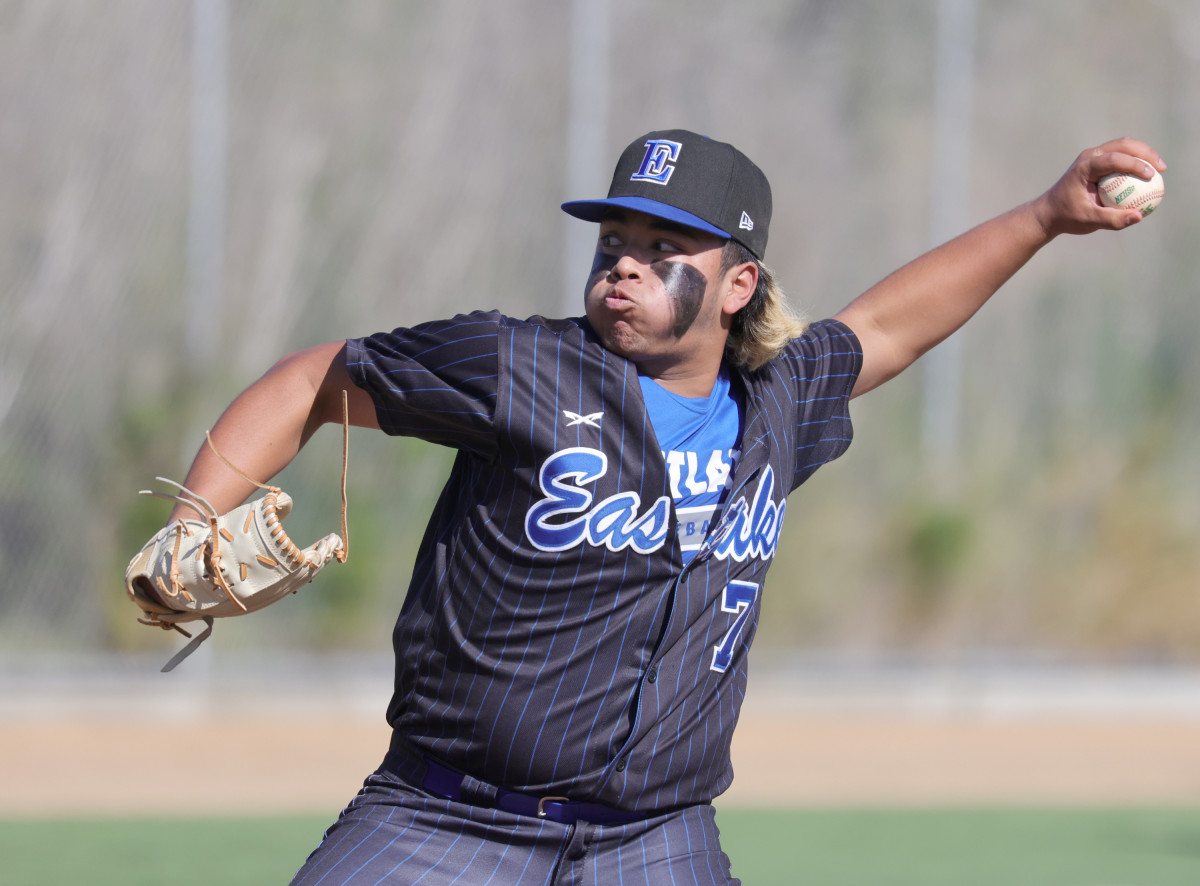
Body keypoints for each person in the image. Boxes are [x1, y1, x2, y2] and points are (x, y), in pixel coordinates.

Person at [150, 129, 1164, 884]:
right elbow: (314, 379)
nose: (624, 262)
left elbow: (891, 324)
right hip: (444, 820)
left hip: (653, 836)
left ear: (737, 285)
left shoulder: (776, 407)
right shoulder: (518, 367)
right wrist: (196, 517)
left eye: (665, 246)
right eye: (613, 242)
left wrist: (1043, 217)